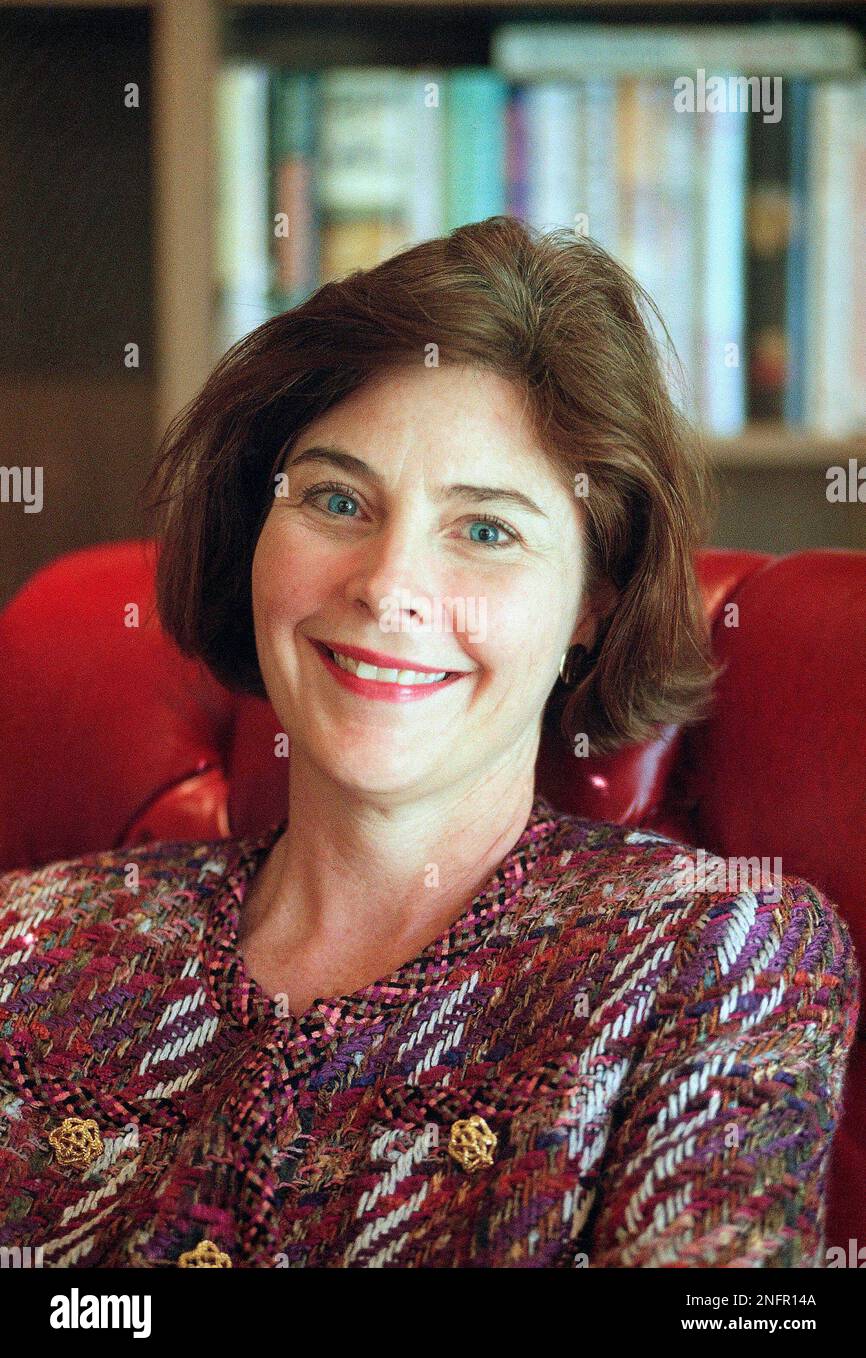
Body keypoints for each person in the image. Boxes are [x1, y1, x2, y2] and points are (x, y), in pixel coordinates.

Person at [0, 217, 859, 1268]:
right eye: (335, 499)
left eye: (485, 529)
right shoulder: (31, 947)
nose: (385, 585)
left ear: (590, 601)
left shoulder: (715, 954)